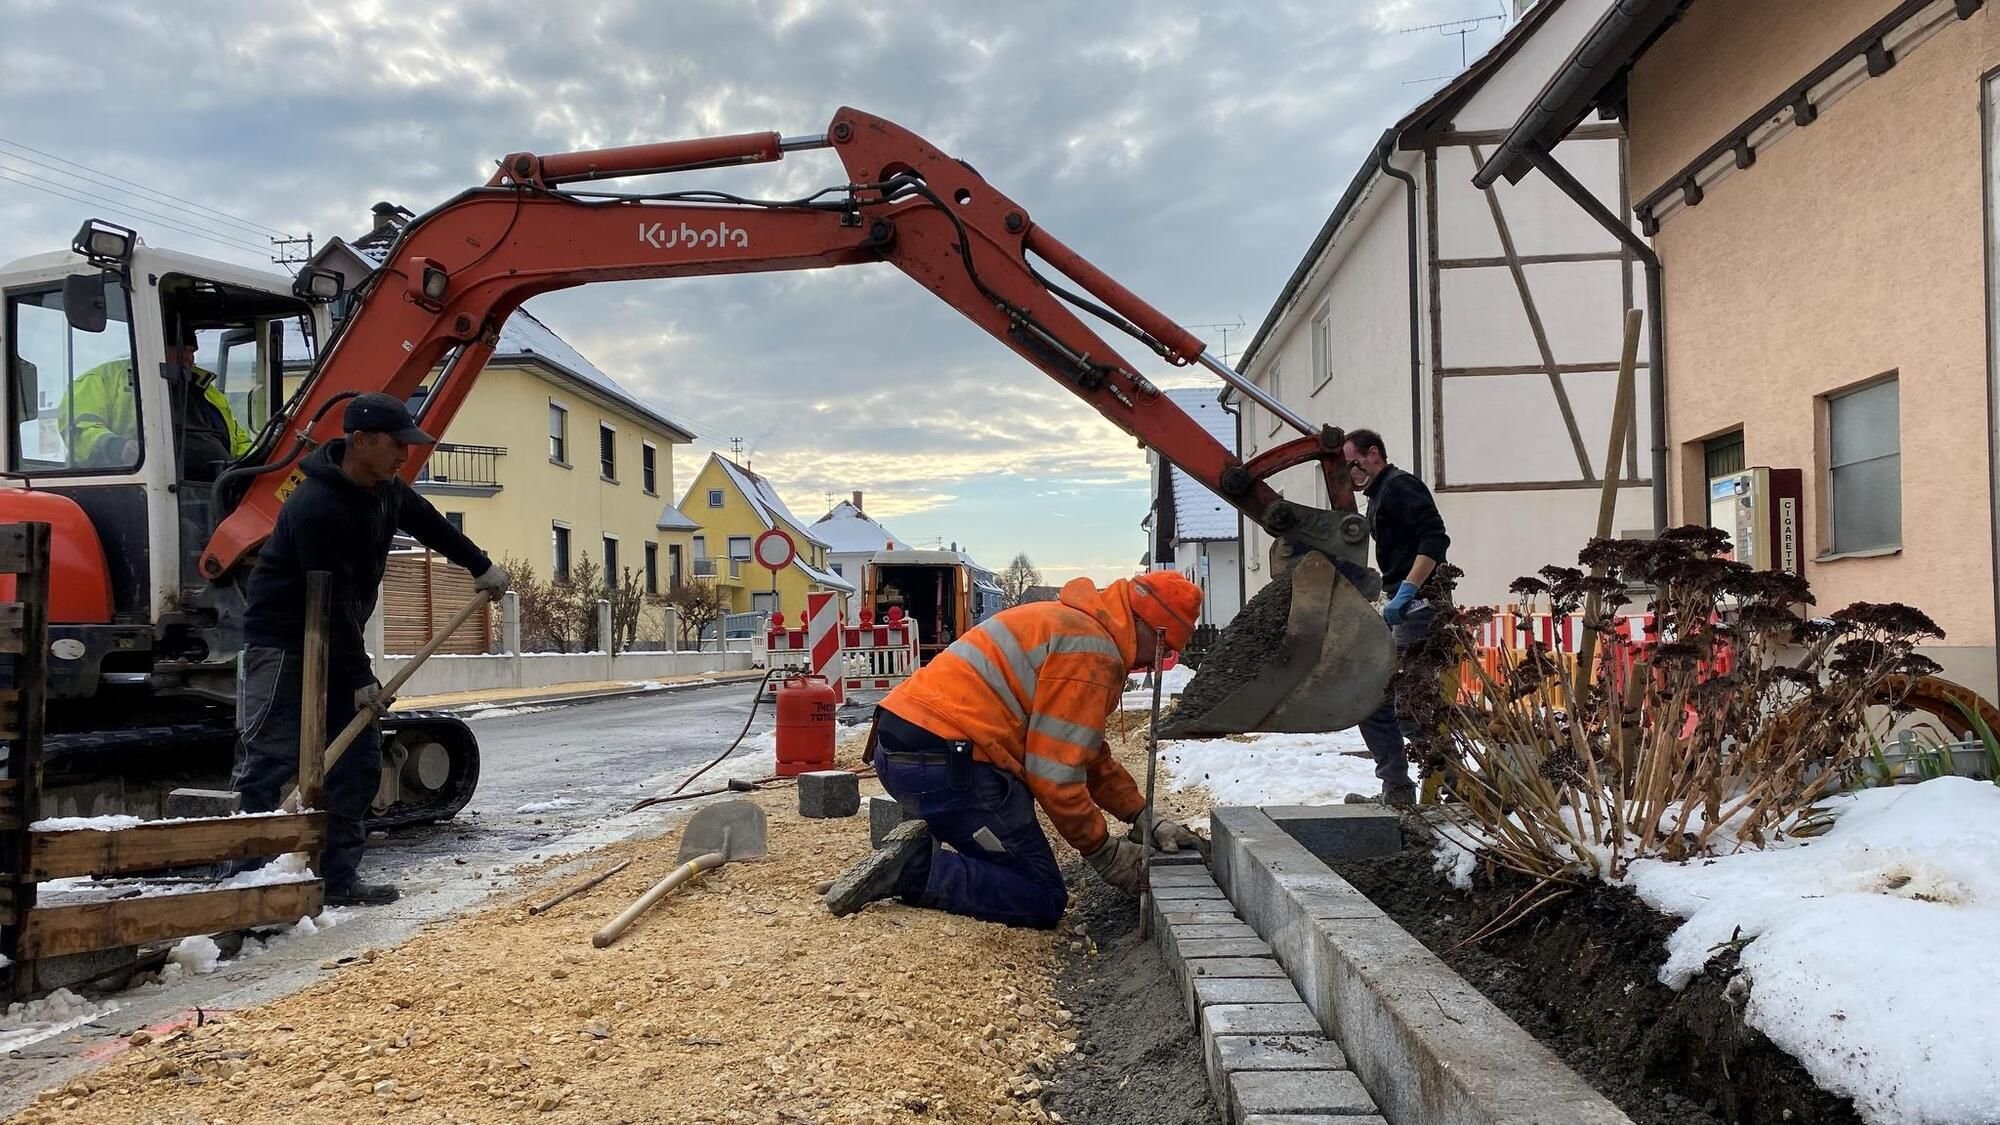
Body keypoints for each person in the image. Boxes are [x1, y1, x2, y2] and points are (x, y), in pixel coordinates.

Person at [233, 392, 510, 905]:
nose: (404, 456)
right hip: (285, 646)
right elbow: (331, 601)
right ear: (360, 441)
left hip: (336, 643)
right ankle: (247, 885)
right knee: (270, 764)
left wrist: (479, 566)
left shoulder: (384, 489)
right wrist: (361, 677)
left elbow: (429, 522)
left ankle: (336, 880)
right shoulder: (316, 506)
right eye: (396, 445)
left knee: (357, 761)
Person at [824, 571, 1205, 929]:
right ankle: (915, 869)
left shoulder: (1070, 623)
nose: (1154, 664)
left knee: (1005, 855)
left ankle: (926, 846)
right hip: (948, 768)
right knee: (1041, 894)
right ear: (1147, 624)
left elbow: (1084, 753)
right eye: (1164, 647)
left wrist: (1142, 816)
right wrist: (1104, 852)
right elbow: (1056, 773)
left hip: (902, 754)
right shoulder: (1091, 654)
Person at [1344, 427, 1450, 807]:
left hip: (1421, 610)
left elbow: (1435, 539)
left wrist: (1408, 590)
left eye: (1354, 464)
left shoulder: (1400, 487)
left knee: (1408, 705)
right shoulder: (1377, 496)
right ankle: (1400, 787)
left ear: (1375, 454)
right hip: (1405, 609)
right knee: (1376, 703)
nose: (1351, 474)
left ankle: (1449, 787)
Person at [57, 319, 251, 477]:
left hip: (218, 489)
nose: (188, 359)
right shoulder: (103, 380)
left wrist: (257, 462)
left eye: (191, 351)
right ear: (154, 347)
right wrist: (117, 447)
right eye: (180, 349)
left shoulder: (208, 392)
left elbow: (239, 440)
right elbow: (78, 428)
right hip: (133, 488)